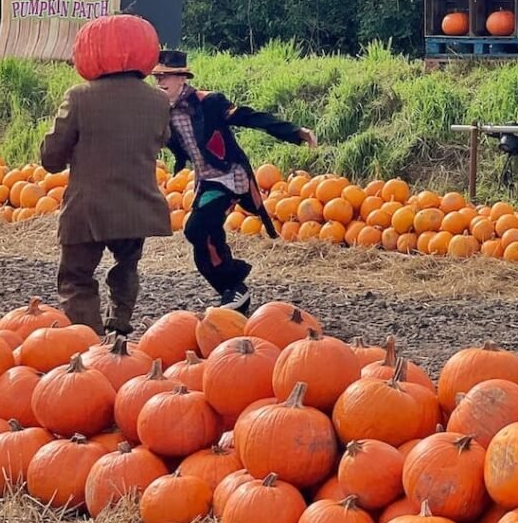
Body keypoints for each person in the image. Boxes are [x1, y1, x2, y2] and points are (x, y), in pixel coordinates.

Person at [152, 50, 318, 313]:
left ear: (182, 78)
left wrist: (295, 132)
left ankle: (233, 284)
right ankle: (232, 291)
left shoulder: (209, 102)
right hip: (206, 180)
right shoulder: (159, 110)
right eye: (157, 77)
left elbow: (248, 117)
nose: (160, 82)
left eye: (166, 77)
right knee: (200, 233)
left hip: (230, 176)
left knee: (198, 227)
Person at [40, 39, 173, 336]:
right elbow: (162, 139)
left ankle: (89, 338)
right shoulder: (158, 100)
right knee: (127, 265)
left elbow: (52, 159)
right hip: (137, 204)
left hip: (88, 207)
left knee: (75, 277)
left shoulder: (78, 97)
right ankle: (120, 322)